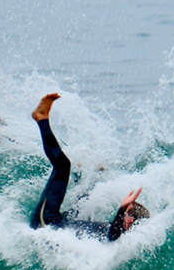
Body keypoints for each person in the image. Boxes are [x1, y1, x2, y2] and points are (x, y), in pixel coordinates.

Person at [28, 93, 149, 240]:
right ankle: (80, 175)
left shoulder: (117, 237)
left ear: (130, 220)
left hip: (46, 225)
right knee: (83, 202)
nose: (125, 216)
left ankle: (41, 118)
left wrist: (122, 209)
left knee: (63, 165)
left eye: (128, 214)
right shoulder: (111, 231)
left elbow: (113, 235)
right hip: (62, 224)